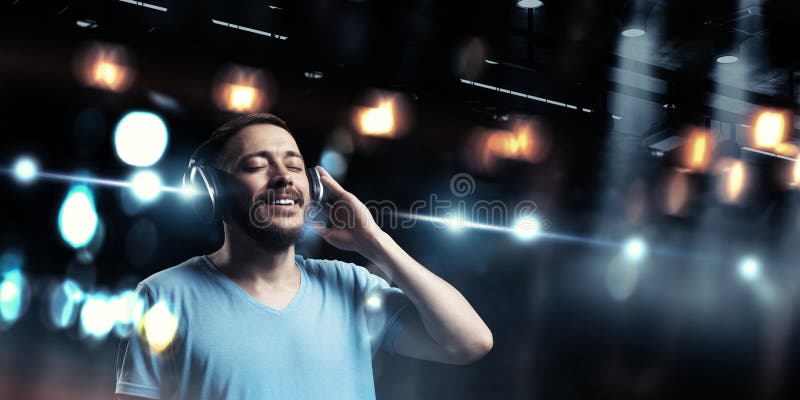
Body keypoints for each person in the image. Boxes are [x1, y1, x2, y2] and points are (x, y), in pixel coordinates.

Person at [115, 113, 493, 400]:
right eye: (258, 165)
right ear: (214, 191)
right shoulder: (165, 296)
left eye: (294, 166)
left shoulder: (353, 289)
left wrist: (374, 242)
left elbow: (470, 342)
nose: (284, 177)